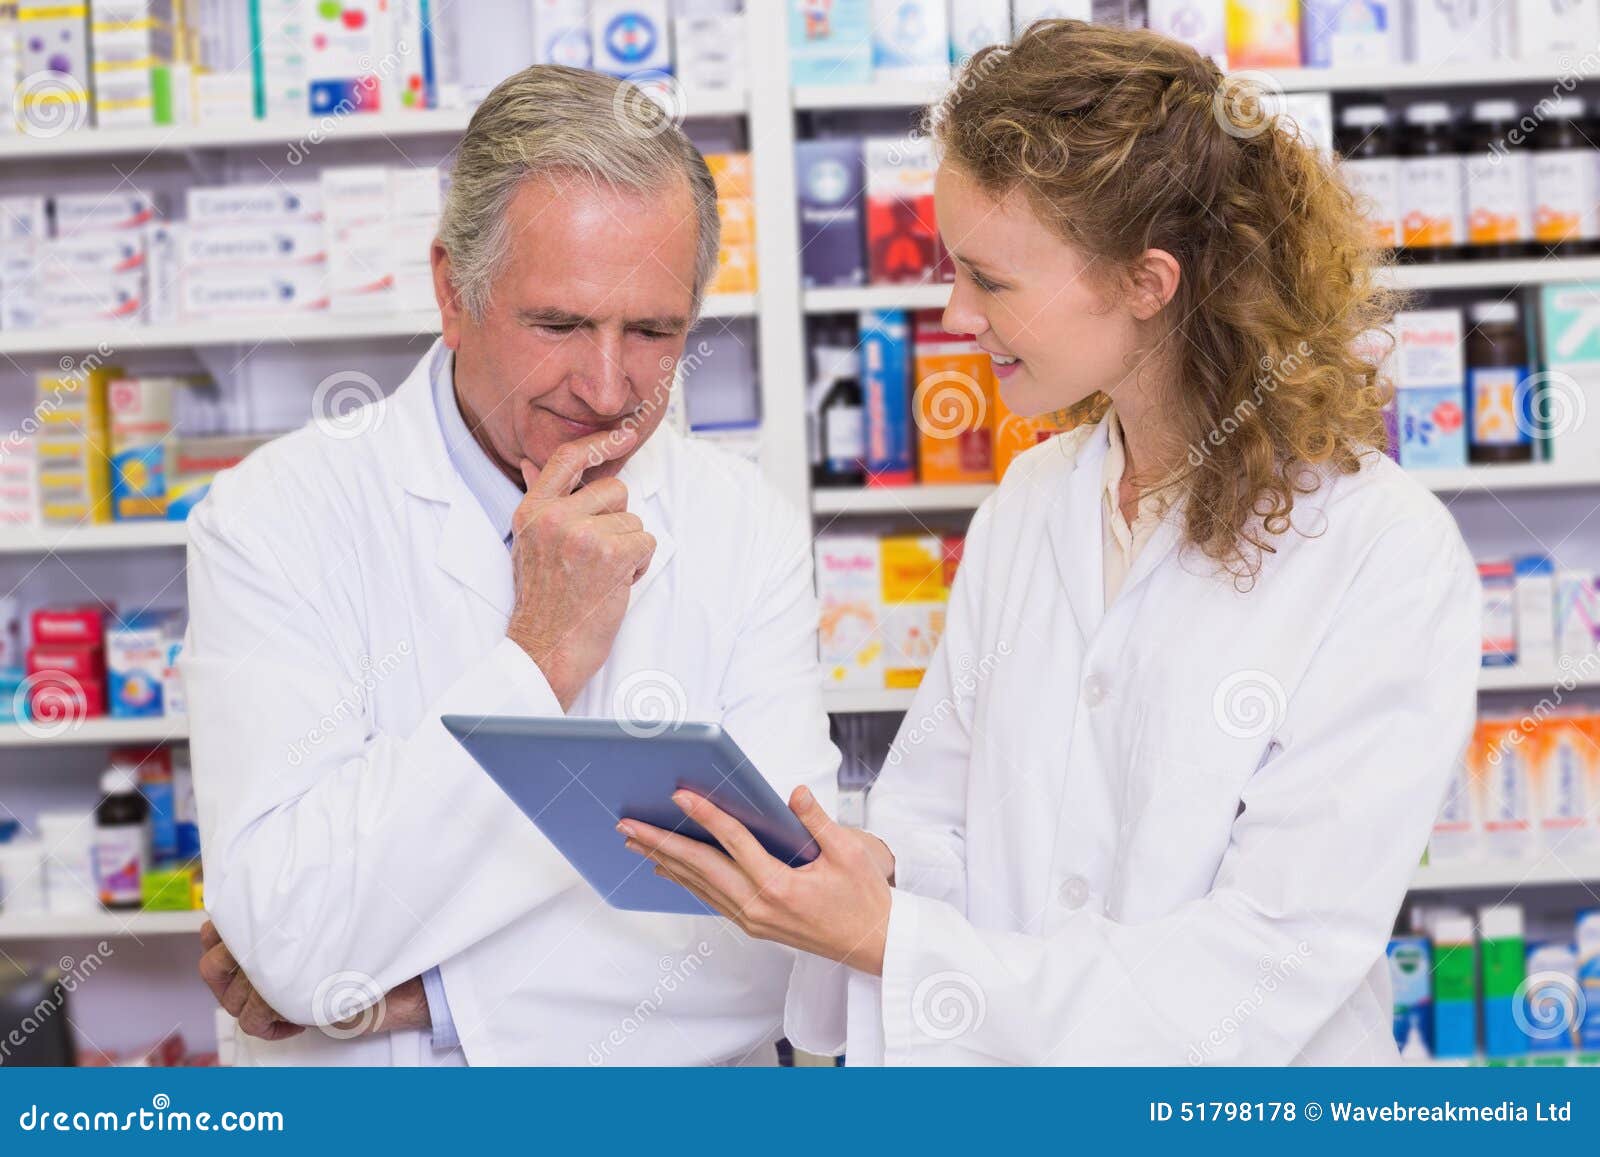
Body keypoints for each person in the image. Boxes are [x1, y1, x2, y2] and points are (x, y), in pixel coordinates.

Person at [622, 20, 1481, 1065]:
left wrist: (894, 936)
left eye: (989, 278)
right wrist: (852, 879)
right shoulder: (1034, 500)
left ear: (1145, 283)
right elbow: (936, 816)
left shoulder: (1380, 552)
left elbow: (1261, 966)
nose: (952, 312)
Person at [185, 65, 837, 1066]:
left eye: (654, 331)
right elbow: (291, 940)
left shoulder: (744, 528)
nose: (609, 385)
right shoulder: (278, 517)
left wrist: (422, 995)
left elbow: (788, 943)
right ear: (455, 292)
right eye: (561, 324)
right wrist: (539, 654)